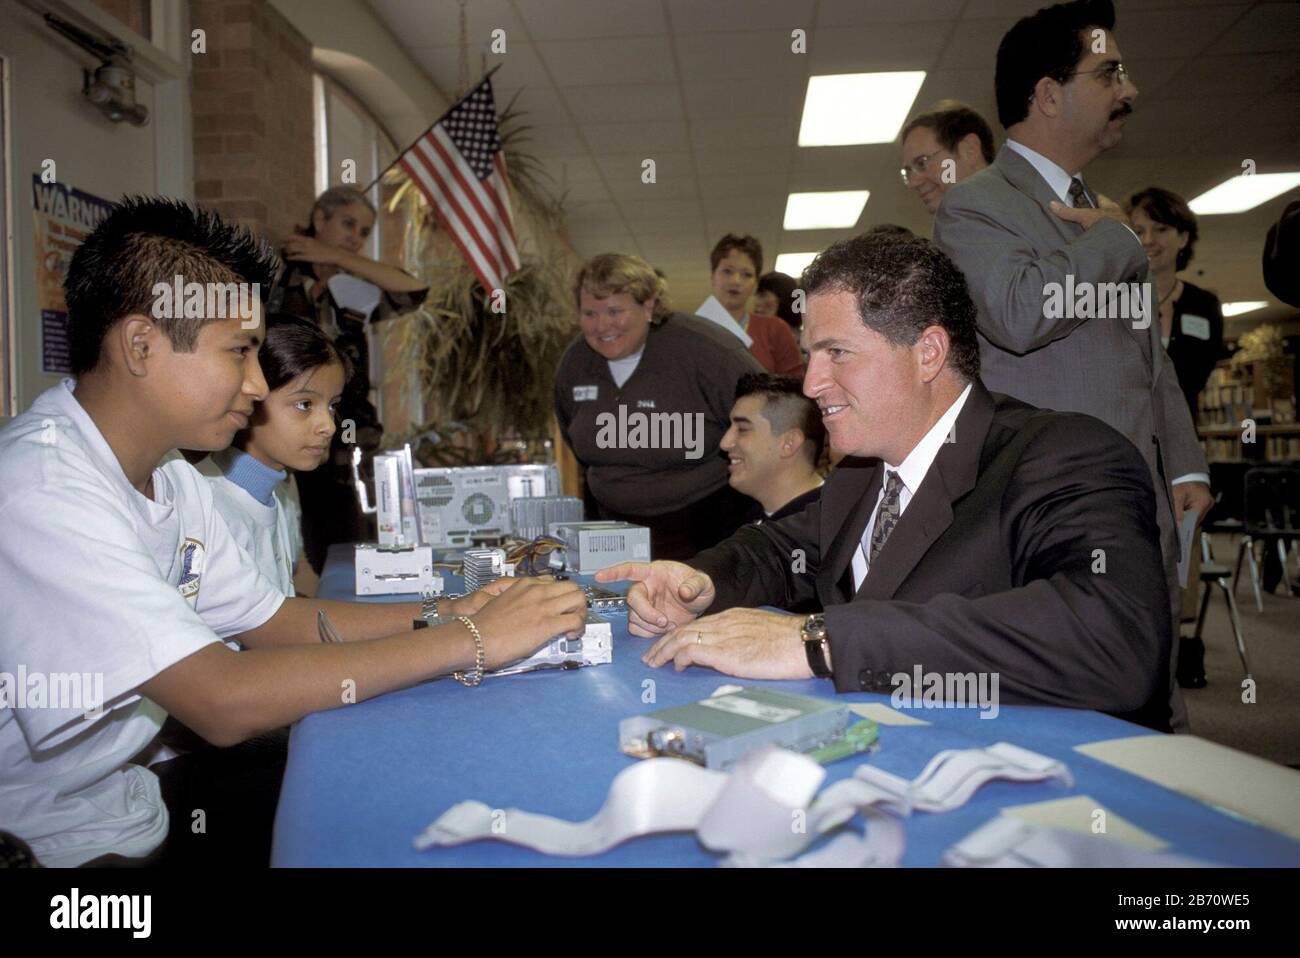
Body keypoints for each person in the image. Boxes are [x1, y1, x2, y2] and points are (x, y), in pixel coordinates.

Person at [0, 197, 585, 867]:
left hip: (125, 806)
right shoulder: (42, 490)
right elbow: (222, 699)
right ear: (141, 345)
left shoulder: (171, 476)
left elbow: (276, 620)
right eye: (239, 353)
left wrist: (449, 610)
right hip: (46, 846)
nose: (255, 385)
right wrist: (472, 641)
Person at [598, 233, 1173, 731]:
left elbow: (1115, 635)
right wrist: (698, 580)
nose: (812, 383)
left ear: (927, 353)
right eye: (809, 355)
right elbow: (777, 547)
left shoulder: (1063, 455)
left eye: (836, 353)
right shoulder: (862, 477)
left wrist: (820, 642)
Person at [931, 0, 1210, 729]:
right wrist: (1117, 239)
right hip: (1058, 511)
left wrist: (1183, 463)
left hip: (1141, 495)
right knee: (1084, 714)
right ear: (1048, 95)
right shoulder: (976, 207)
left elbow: (1146, 351)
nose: (1131, 89)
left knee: (1154, 708)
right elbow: (1023, 313)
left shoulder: (1097, 208)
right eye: (1110, 71)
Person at [554, 253, 764, 561]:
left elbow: (770, 419)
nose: (602, 325)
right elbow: (571, 432)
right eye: (590, 314)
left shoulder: (707, 350)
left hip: (708, 527)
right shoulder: (575, 364)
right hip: (612, 530)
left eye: (615, 311)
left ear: (649, 306)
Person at [268, 186, 428, 574]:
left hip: (348, 431)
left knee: (349, 542)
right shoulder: (274, 270)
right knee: (289, 538)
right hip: (284, 426)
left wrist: (339, 257)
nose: (355, 237)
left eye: (363, 232)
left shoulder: (357, 284)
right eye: (347, 224)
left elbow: (413, 290)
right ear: (319, 219)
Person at [201, 315, 351, 599]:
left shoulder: (281, 485)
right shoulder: (210, 505)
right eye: (304, 404)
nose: (329, 426)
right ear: (250, 395)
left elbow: (294, 579)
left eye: (332, 406)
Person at [1127, 187, 1225, 418]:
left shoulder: (1204, 305)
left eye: (1161, 229)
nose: (1148, 240)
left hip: (1182, 432)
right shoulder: (1111, 301)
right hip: (1127, 435)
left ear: (1183, 238)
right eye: (1139, 231)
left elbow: (1198, 376)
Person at [721, 373, 824, 521]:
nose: (724, 443)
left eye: (742, 429)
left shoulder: (826, 531)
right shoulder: (753, 518)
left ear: (789, 443)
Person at [704, 234, 804, 376]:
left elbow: (794, 388)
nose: (736, 281)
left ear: (755, 283)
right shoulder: (692, 330)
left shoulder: (775, 329)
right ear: (713, 276)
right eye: (727, 271)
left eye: (747, 274)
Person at [899, 100, 996, 216]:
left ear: (970, 150)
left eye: (922, 163)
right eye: (908, 172)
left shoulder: (1016, 213)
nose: (913, 183)